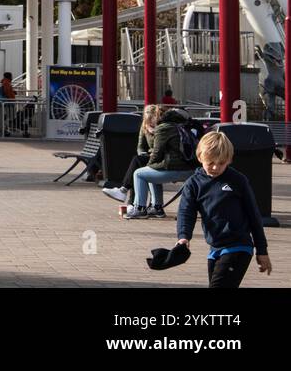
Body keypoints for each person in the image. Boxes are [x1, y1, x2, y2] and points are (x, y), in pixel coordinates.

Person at [175, 131, 273, 287]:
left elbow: (254, 216)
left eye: (221, 163)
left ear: (229, 160)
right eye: (211, 162)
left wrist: (262, 250)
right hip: (214, 249)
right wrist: (183, 237)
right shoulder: (193, 183)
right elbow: (186, 212)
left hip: (239, 247)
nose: (215, 167)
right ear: (200, 157)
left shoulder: (238, 180)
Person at [125, 106, 195, 218]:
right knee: (152, 170)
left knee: (139, 173)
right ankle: (156, 207)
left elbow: (157, 154)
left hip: (175, 168)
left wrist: (149, 165)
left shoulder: (163, 128)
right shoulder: (183, 127)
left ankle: (140, 208)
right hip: (191, 169)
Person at [103, 104, 162, 204]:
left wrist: (155, 132)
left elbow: (160, 147)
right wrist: (142, 153)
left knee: (137, 162)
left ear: (156, 116)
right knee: (137, 166)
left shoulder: (162, 128)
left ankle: (124, 193)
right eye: (147, 120)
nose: (150, 123)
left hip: (159, 158)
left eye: (152, 120)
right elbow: (140, 145)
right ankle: (131, 201)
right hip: (150, 157)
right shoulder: (145, 126)